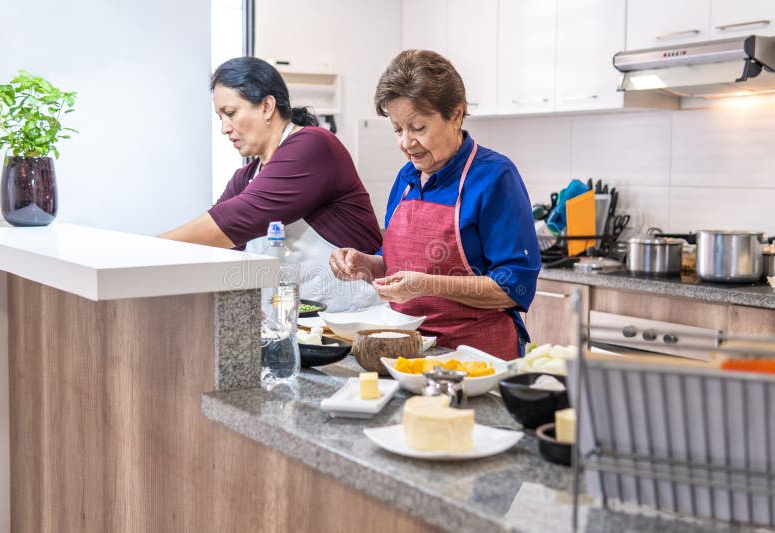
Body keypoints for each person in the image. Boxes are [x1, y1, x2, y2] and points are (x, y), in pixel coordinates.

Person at [329, 50, 541, 360]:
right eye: (397, 130)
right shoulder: (406, 178)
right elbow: (398, 265)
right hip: (408, 352)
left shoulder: (494, 176)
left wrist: (427, 286)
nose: (406, 142)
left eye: (417, 128)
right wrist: (367, 265)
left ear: (456, 114)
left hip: (477, 357)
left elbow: (514, 287)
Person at [160, 57, 382, 311]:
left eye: (231, 113)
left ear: (266, 106)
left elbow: (240, 217)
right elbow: (219, 242)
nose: (224, 128)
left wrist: (150, 249)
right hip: (294, 328)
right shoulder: (246, 177)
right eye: (220, 117)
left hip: (351, 325)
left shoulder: (313, 145)